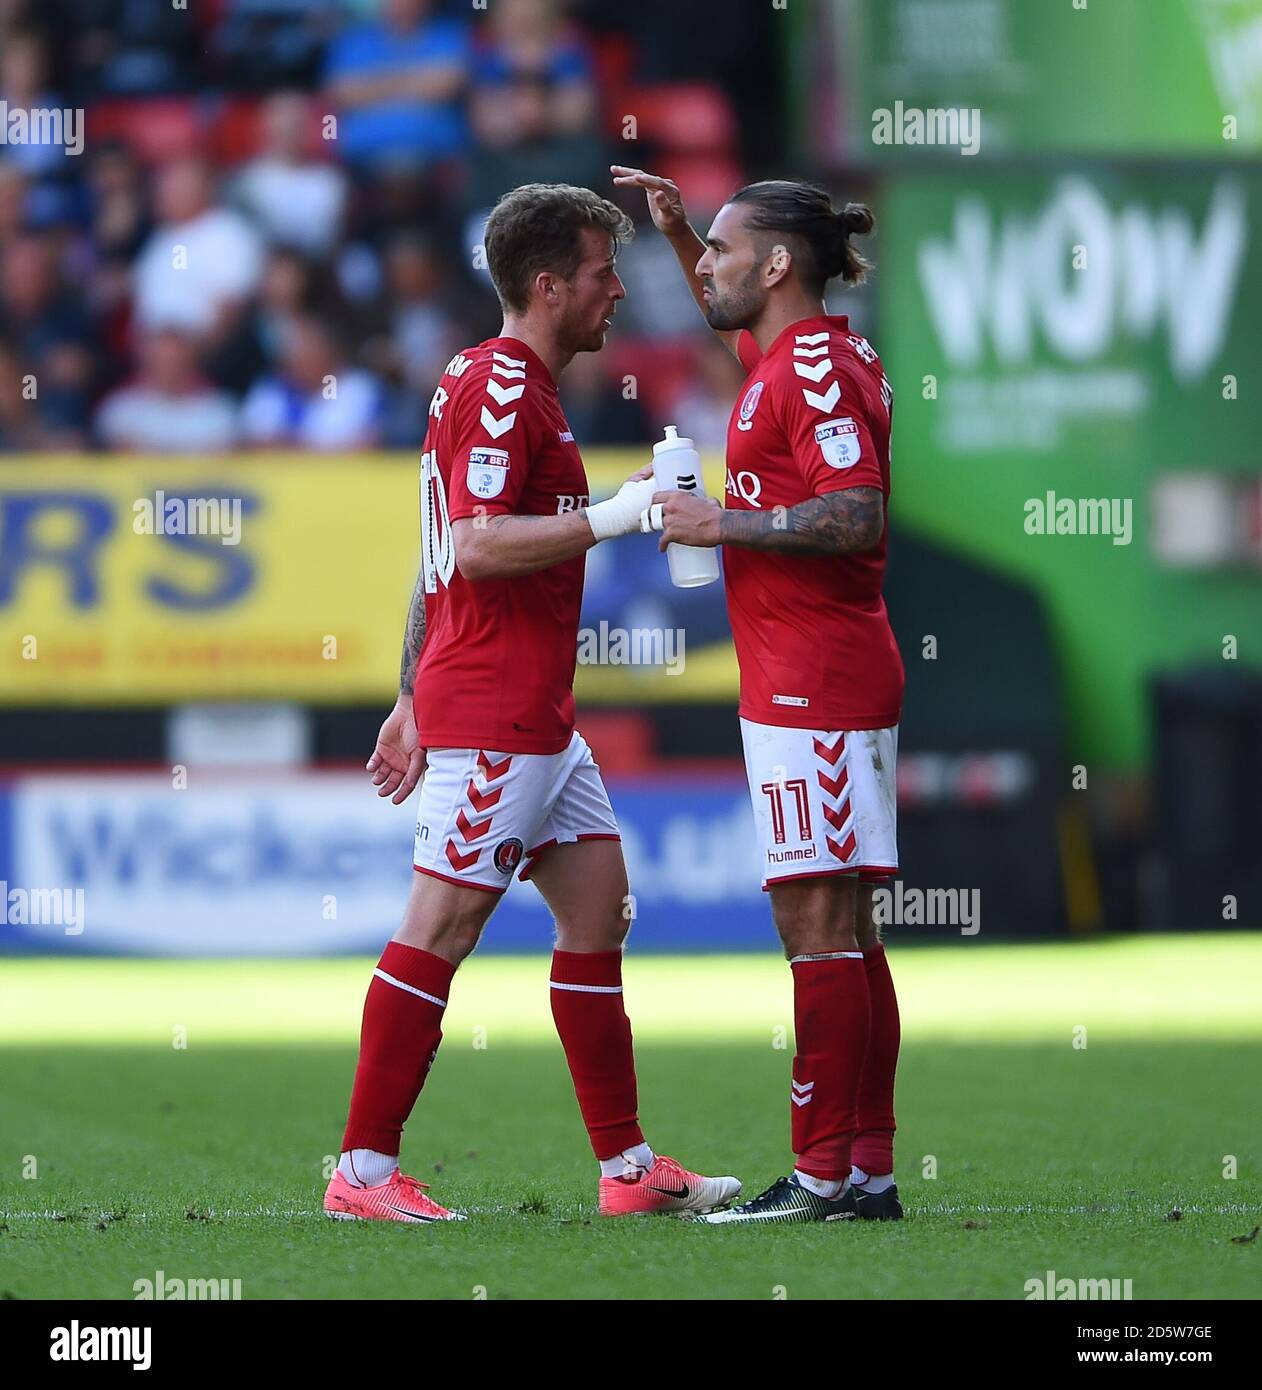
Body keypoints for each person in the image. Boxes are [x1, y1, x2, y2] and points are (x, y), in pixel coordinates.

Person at [323, 182, 741, 1224]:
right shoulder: (505, 384)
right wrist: (620, 512)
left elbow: (436, 557)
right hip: (495, 709)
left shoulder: (494, 379)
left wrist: (408, 689)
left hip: (528, 712)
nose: (617, 293)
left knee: (598, 912)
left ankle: (628, 1168)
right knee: (440, 925)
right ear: (548, 285)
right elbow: (471, 546)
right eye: (603, 274)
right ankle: (362, 1172)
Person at [614, 164, 905, 1224]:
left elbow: (854, 513)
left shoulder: (815, 367)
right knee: (846, 929)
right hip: (808, 676)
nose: (710, 274)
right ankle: (862, 1170)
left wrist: (718, 524)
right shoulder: (795, 352)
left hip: (816, 681)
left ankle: (822, 1172)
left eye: (729, 253)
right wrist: (682, 230)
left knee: (816, 924)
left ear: (777, 264)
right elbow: (721, 298)